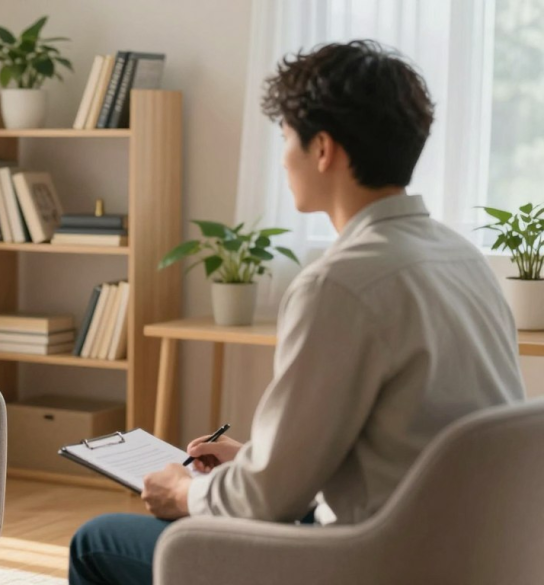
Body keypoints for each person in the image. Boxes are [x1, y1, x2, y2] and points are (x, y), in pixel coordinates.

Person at [68, 40, 526, 585]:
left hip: (372, 562)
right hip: (472, 555)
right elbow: (397, 438)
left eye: (286, 137)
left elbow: (266, 502)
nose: (283, 156)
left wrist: (184, 491)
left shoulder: (340, 283)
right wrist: (255, 456)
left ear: (324, 149)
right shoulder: (462, 258)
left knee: (96, 542)